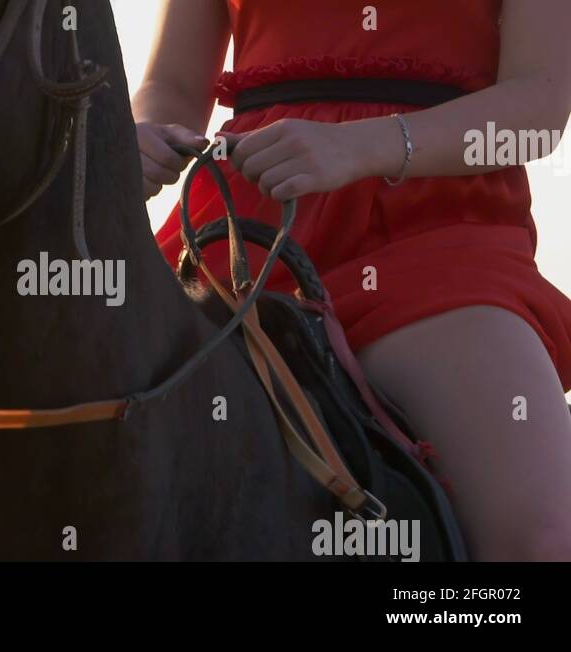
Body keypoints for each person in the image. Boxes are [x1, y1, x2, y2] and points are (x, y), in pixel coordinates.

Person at [133, 0, 571, 560]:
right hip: (238, 233)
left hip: (435, 233)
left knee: (541, 542)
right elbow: (169, 84)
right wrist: (137, 138)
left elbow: (537, 108)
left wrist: (361, 145)